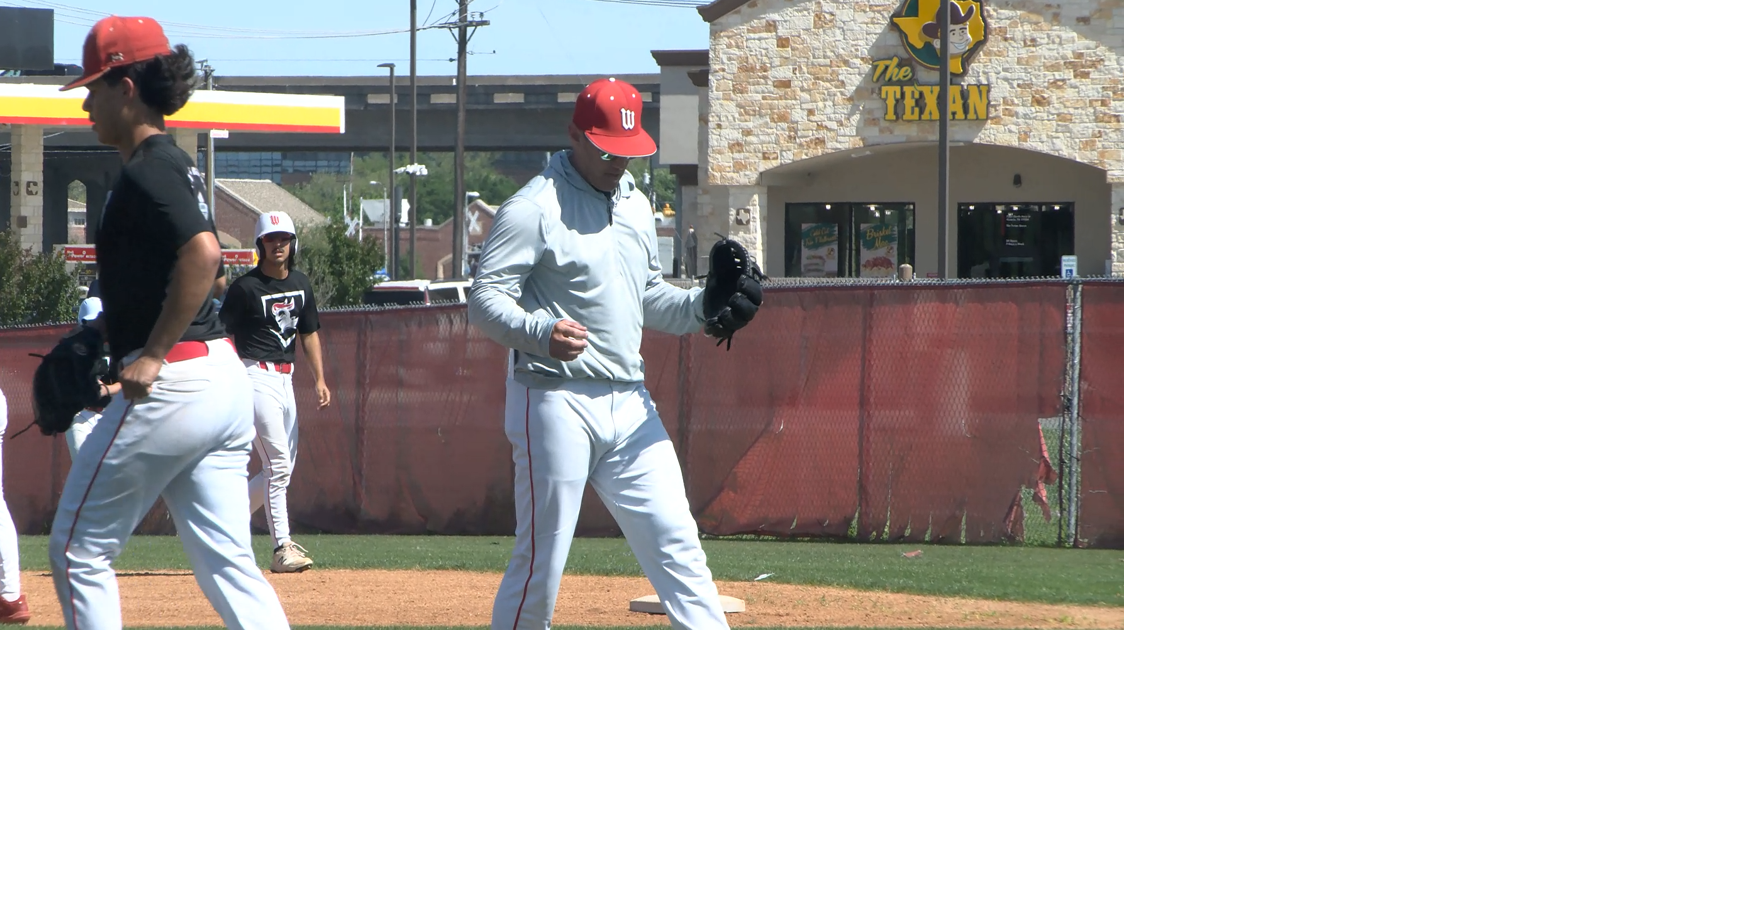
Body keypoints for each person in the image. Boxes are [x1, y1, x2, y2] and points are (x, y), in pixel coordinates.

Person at [468, 77, 739, 630]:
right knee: (542, 562)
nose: (619, 160)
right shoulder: (534, 206)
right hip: (553, 398)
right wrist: (539, 331)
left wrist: (703, 307)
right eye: (607, 149)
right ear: (575, 135)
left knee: (679, 543)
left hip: (630, 401)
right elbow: (484, 300)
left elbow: (647, 297)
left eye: (627, 149)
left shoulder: (636, 203)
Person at [47, 15, 289, 630]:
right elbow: (188, 273)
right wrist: (107, 330)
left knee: (77, 551)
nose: (86, 103)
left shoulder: (148, 169)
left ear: (126, 88)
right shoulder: (173, 162)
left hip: (174, 381)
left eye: (94, 88)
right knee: (230, 565)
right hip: (219, 379)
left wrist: (150, 352)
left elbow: (204, 256)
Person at [221, 210, 331, 572]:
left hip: (286, 379)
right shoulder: (245, 288)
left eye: (284, 238)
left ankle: (222, 519)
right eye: (271, 239)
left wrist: (319, 379)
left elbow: (308, 333)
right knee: (278, 465)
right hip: (255, 376)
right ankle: (281, 548)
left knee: (280, 470)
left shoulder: (301, 283)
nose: (278, 244)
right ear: (260, 244)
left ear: (292, 243)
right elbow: (221, 334)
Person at [64, 287, 123, 464]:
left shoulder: (117, 348)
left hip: (110, 414)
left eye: (98, 321)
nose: (94, 327)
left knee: (110, 469)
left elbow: (128, 382)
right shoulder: (70, 348)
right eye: (89, 322)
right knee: (83, 465)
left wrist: (106, 389)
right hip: (80, 414)